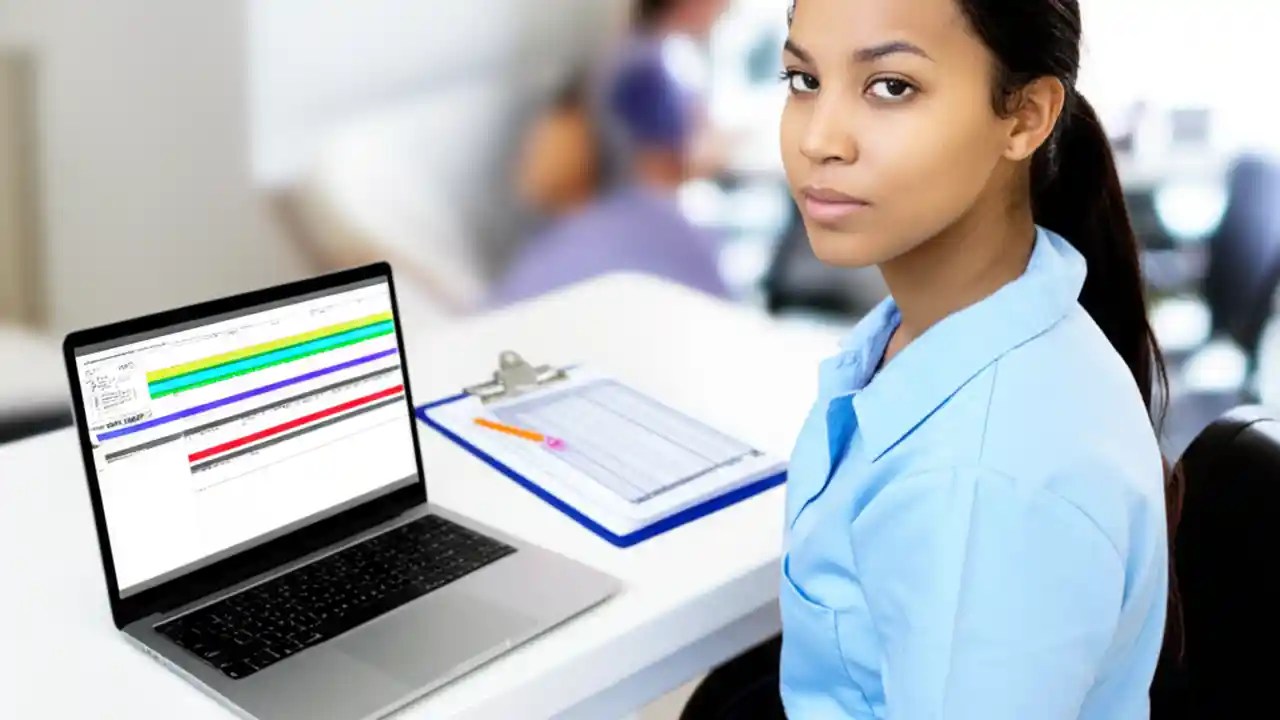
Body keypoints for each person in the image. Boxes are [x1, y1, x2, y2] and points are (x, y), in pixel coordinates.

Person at [682, 0, 1178, 718]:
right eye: (802, 80)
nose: (820, 138)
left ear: (1025, 117)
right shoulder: (934, 327)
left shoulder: (988, 485)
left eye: (891, 87)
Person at [487, 0, 733, 307]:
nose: (726, 11)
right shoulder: (645, 68)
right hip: (629, 224)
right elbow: (665, 167)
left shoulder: (642, 57)